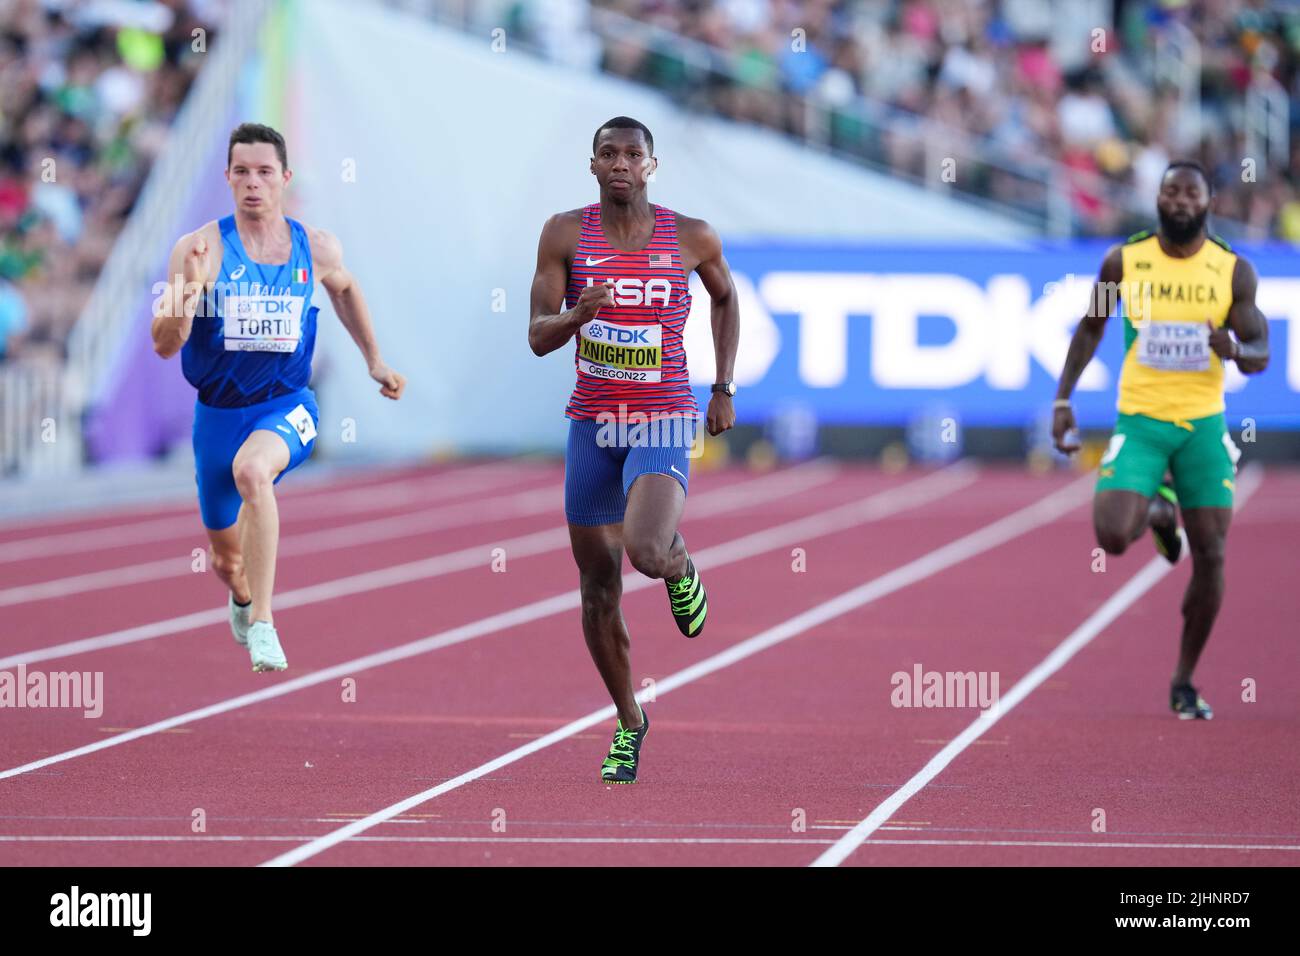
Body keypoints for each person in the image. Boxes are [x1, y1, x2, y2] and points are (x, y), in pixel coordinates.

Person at [528, 117, 739, 781]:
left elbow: (726, 299)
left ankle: (679, 569)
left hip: (664, 417)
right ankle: (628, 721)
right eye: (608, 154)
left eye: (633, 154)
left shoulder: (692, 236)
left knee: (646, 550)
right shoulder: (565, 233)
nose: (621, 163)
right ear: (592, 165)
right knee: (596, 587)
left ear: (652, 166)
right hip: (593, 424)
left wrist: (722, 386)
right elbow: (537, 336)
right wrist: (574, 316)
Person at [151, 123, 406, 672]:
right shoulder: (200, 250)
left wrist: (374, 360)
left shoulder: (314, 245)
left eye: (265, 172)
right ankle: (243, 597)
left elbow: (345, 289)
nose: (253, 183)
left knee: (253, 474)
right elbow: (164, 346)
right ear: (227, 177)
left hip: (287, 404)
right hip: (217, 416)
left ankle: (264, 622)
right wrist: (188, 293)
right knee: (226, 559)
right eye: (241, 171)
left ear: (284, 178)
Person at [1053, 161, 1269, 720]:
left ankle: (1184, 680)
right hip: (1142, 422)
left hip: (1202, 427)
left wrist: (1236, 353)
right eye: (1170, 191)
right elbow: (1092, 327)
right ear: (1157, 199)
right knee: (1112, 536)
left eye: (1190, 193)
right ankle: (1157, 510)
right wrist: (1062, 400)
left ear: (1208, 202)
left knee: (1213, 555)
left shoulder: (1232, 271)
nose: (1178, 201)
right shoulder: (1125, 261)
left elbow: (1261, 350)